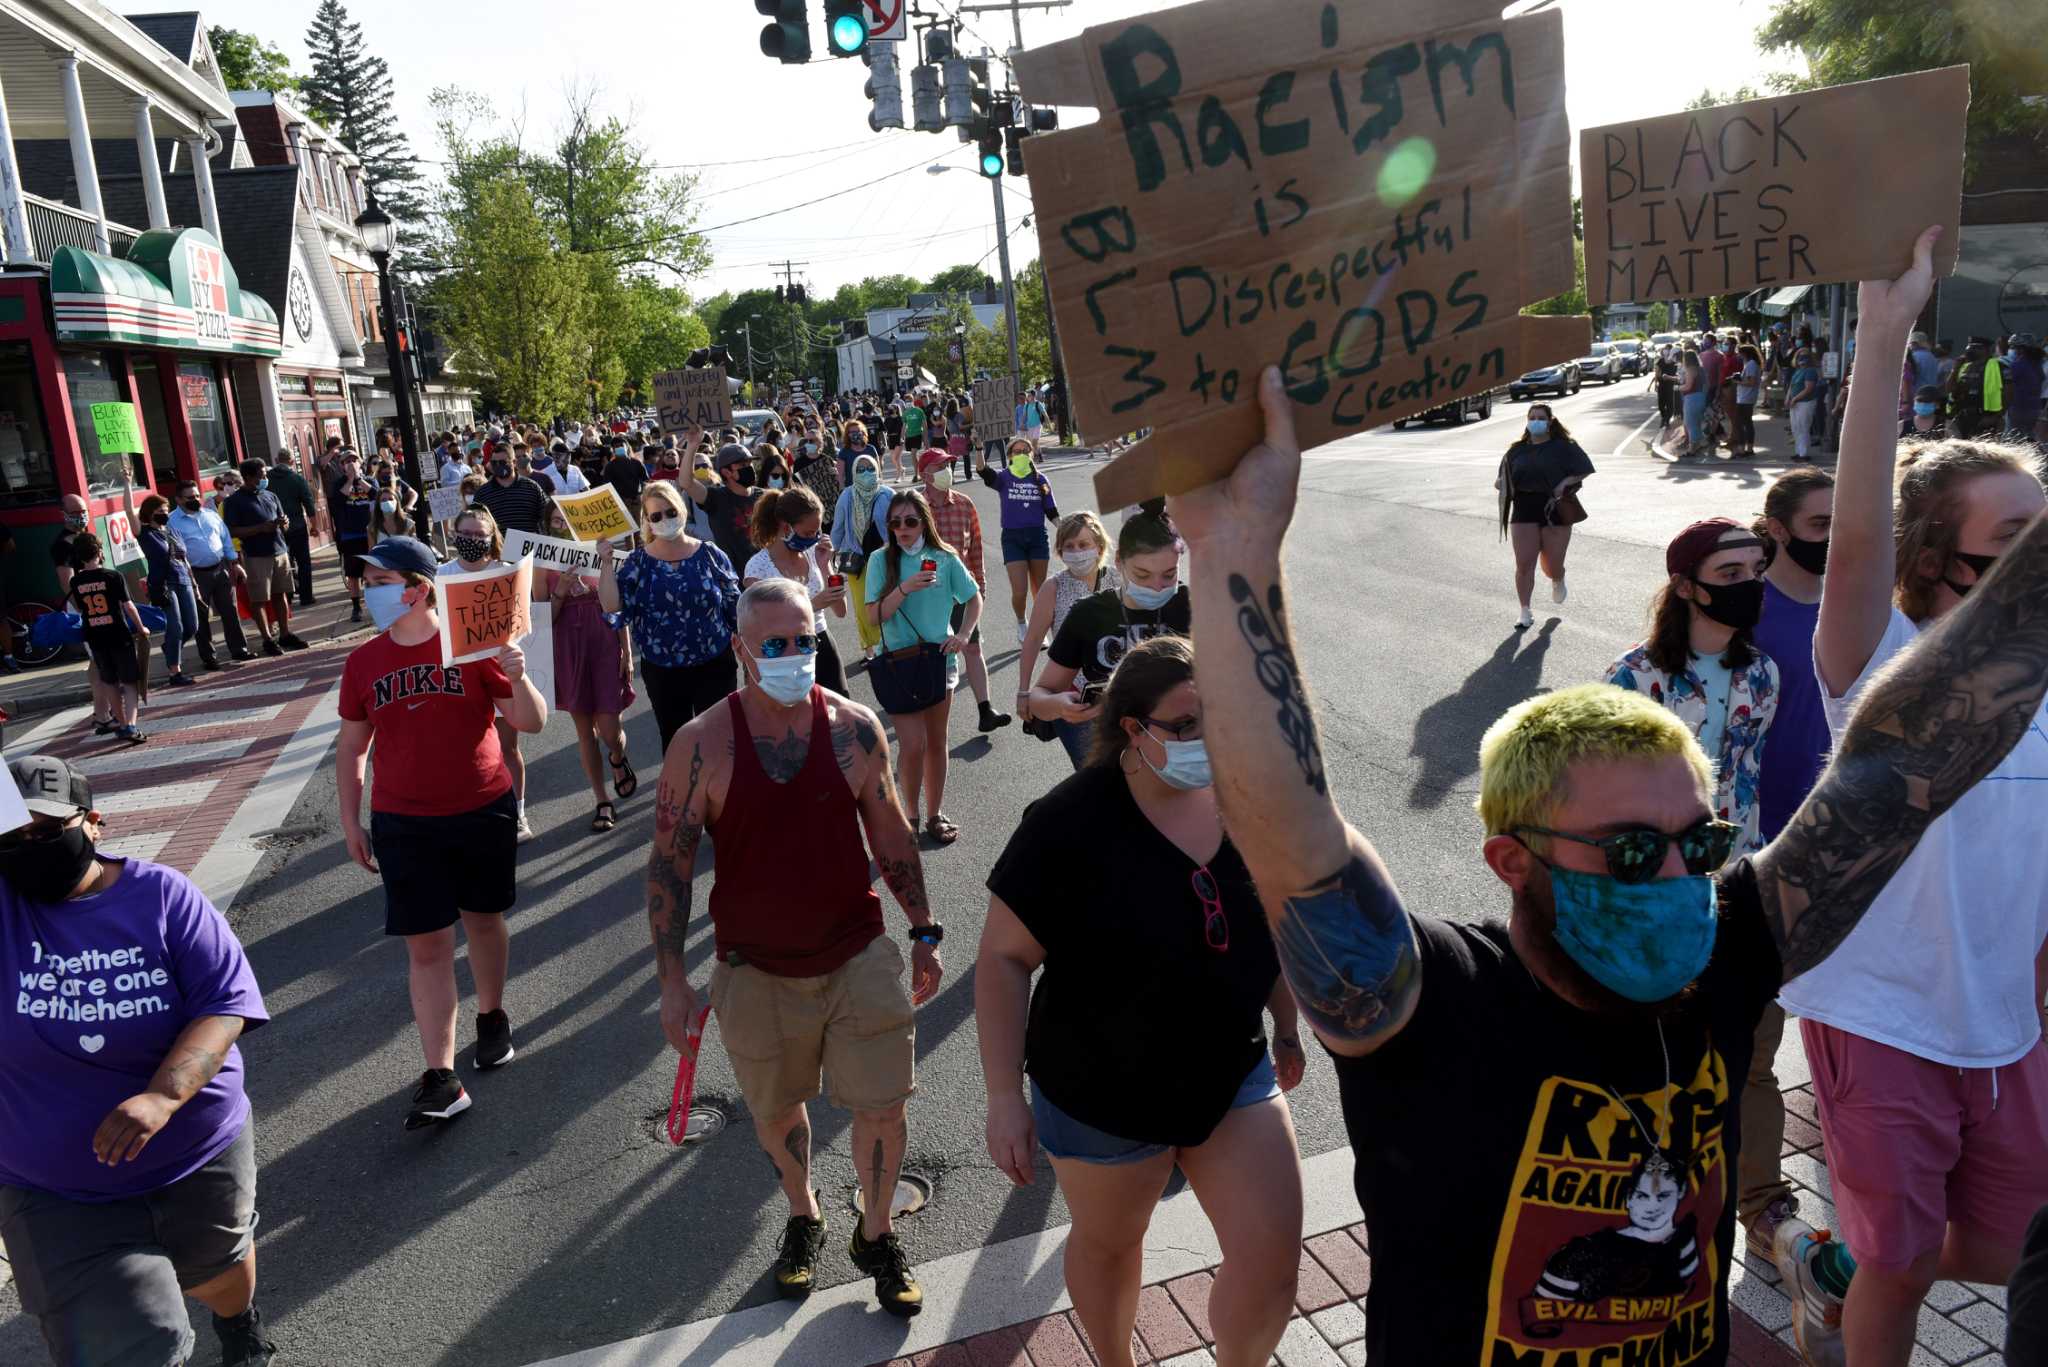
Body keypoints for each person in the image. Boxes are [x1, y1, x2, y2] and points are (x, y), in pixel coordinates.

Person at [1170, 359, 2048, 1367]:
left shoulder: (1727, 951)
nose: (1678, 879)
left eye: (1699, 843)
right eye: (1631, 850)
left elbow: (1894, 770)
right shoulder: (1433, 1006)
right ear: (1512, 859)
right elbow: (1287, 832)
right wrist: (1232, 548)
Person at [1789, 225, 2048, 1367]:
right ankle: (1859, 1272)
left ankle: (1840, 1257)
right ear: (1939, 554)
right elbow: (1850, 537)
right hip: (1875, 1007)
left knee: (2004, 1245)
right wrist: (1886, 325)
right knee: (1901, 1266)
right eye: (2016, 536)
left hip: (2004, 1017)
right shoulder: (1878, 653)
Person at [979, 635, 1304, 1367]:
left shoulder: (1251, 795)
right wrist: (1004, 1094)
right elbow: (1003, 957)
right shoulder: (1069, 821)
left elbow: (1272, 924)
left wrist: (1286, 1023)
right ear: (1132, 727)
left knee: (1272, 1265)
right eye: (1188, 725)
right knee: (1111, 1244)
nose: (1210, 740)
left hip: (1230, 1071)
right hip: (1101, 1092)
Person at [646, 578, 940, 1316]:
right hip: (754, 967)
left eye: (804, 641)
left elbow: (894, 835)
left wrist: (925, 930)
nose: (791, 655)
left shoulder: (855, 728)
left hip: (856, 953)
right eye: (773, 644)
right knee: (778, 1111)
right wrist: (672, 979)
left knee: (884, 1103)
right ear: (741, 649)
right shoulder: (700, 744)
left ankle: (874, 1234)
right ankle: (805, 1212)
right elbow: (669, 865)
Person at [0, 754, 278, 1367]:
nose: (27, 849)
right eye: (10, 838)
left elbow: (224, 1005)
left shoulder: (162, 896)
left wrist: (162, 1097)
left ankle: (238, 1321)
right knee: (125, 1346)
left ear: (93, 823)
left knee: (215, 1267)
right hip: (52, 1186)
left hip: (193, 1149)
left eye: (46, 832)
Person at [336, 535, 547, 1129]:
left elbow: (530, 722)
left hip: (482, 808)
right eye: (369, 581)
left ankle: (493, 1015)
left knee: (483, 920)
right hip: (404, 821)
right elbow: (353, 748)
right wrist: (351, 819)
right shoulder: (364, 662)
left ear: (417, 587)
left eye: (379, 581)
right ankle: (441, 1074)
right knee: (425, 945)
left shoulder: (474, 647)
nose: (369, 591)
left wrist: (519, 675)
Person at [1603, 518, 1778, 855]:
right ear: (1685, 587)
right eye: (1730, 574)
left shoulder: (1762, 672)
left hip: (1738, 857)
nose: (1752, 584)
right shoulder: (1633, 677)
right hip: (1661, 867)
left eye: (1757, 570)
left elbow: (1748, 771)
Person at [1026, 503, 1187, 769]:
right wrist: (1058, 704)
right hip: (1109, 755)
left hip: (1175, 753)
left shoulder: (1190, 605)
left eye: (1169, 575)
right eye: (1142, 574)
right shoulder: (1088, 613)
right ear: (1119, 561)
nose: (1157, 587)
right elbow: (1040, 697)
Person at [863, 488, 981, 844]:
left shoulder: (944, 557)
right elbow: (873, 617)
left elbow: (973, 597)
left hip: (938, 659)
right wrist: (904, 588)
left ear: (924, 522)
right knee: (912, 744)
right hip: (899, 663)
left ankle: (934, 814)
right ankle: (909, 816)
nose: (903, 528)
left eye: (911, 521)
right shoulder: (881, 560)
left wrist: (963, 634)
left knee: (937, 741)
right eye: (895, 522)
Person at [600, 481, 739, 758]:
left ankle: (725, 797)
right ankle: (686, 799)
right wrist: (605, 563)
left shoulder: (711, 554)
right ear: (648, 523)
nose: (665, 519)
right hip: (663, 671)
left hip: (715, 663)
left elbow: (735, 606)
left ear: (682, 511)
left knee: (722, 740)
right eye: (656, 516)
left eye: (671, 511)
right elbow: (614, 611)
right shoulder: (637, 563)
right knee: (677, 742)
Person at [536, 504, 636, 834]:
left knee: (610, 728)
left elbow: (615, 606)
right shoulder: (542, 561)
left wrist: (627, 650)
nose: (561, 527)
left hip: (604, 641)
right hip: (567, 646)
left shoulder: (599, 552)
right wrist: (561, 590)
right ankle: (601, 799)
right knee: (584, 731)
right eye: (555, 521)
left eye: (567, 521)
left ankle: (618, 758)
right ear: (548, 526)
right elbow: (542, 621)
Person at [441, 508, 539, 843]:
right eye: (465, 535)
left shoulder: (505, 575)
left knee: (508, 748)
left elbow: (521, 625)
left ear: (491, 538)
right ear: (455, 535)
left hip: (499, 673)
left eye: (479, 536)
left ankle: (518, 815)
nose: (472, 540)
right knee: (465, 750)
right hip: (458, 679)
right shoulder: (442, 576)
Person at [917, 444, 1010, 734]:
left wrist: (980, 586)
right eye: (940, 467)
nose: (947, 471)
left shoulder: (965, 504)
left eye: (949, 465)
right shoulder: (915, 508)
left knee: (971, 647)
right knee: (930, 655)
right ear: (925, 475)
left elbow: (976, 549)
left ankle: (986, 710)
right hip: (926, 593)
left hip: (962, 590)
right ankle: (926, 717)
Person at [742, 486, 850, 695]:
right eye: (808, 533)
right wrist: (812, 605)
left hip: (821, 642)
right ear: (786, 527)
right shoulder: (758, 567)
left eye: (817, 531)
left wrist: (825, 565)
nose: (814, 538)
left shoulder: (813, 553)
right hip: (786, 654)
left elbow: (841, 610)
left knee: (838, 714)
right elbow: (763, 623)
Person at [1016, 511, 1118, 733]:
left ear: (1099, 547)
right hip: (1073, 697)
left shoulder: (1119, 578)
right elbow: (1033, 640)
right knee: (1089, 764)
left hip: (1119, 693)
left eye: (1083, 544)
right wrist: (1024, 692)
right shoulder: (1053, 587)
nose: (1077, 552)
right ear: (1060, 552)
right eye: (1069, 547)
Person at [1494, 404, 1593, 630]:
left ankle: (1558, 578)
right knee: (1524, 564)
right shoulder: (1515, 451)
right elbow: (1500, 480)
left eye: (1540, 417)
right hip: (1523, 509)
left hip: (1554, 508)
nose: (1535, 421)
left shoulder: (1564, 446)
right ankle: (1524, 611)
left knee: (1552, 565)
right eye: (1532, 417)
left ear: (1550, 421)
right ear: (1527, 421)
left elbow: (1584, 469)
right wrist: (1502, 484)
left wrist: (1564, 483)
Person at [66, 533, 149, 744]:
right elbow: (128, 606)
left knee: (110, 681)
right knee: (130, 683)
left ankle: (121, 724)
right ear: (100, 552)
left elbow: (81, 608)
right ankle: (131, 725)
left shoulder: (75, 581)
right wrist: (141, 628)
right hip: (118, 634)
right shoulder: (113, 576)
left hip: (95, 637)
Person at [222, 459, 309, 656]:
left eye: (265, 475)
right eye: (261, 476)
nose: (265, 478)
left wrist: (283, 523)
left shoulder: (270, 495)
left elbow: (283, 523)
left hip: (279, 550)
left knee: (282, 594)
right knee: (259, 598)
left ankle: (285, 634)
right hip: (256, 556)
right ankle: (267, 638)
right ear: (248, 477)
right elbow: (232, 530)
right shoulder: (234, 501)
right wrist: (260, 528)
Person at [978, 436, 1060, 641]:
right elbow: (983, 471)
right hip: (1012, 538)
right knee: (1020, 590)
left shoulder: (1041, 479)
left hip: (1037, 537)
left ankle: (1039, 628)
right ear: (1010, 456)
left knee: (1039, 589)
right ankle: (1021, 622)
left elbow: (1051, 510)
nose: (1022, 454)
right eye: (1017, 451)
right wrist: (979, 447)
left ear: (1031, 454)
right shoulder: (1004, 477)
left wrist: (1065, 528)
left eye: (1026, 451)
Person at [168, 480, 254, 667]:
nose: (196, 499)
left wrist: (235, 564)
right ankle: (209, 657)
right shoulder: (172, 521)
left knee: (230, 611)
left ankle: (239, 650)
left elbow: (225, 540)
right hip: (196, 575)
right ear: (178, 500)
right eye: (190, 497)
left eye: (197, 495)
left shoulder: (210, 515)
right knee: (201, 617)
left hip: (221, 568)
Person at [832, 453, 893, 657]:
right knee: (863, 606)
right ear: (853, 473)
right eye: (860, 469)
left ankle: (889, 643)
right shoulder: (847, 495)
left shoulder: (887, 494)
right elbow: (838, 529)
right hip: (857, 560)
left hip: (885, 558)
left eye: (870, 468)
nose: (866, 473)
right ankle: (870, 649)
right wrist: (829, 557)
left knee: (887, 602)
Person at [138, 494, 199, 689]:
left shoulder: (172, 532)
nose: (164, 514)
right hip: (164, 585)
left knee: (192, 626)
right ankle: (175, 671)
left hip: (183, 580)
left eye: (166, 511)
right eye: (159, 512)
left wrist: (195, 585)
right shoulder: (146, 533)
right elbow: (131, 512)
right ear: (150, 514)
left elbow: (184, 559)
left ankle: (170, 649)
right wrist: (127, 484)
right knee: (176, 628)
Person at [688, 442, 768, 572]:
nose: (750, 468)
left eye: (750, 463)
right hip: (735, 577)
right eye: (743, 465)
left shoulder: (765, 496)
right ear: (726, 472)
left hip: (767, 574)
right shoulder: (715, 498)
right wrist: (692, 445)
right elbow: (687, 483)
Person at [327, 455, 376, 622]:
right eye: (347, 461)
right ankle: (356, 607)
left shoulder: (369, 480)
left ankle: (375, 604)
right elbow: (338, 502)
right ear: (342, 466)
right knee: (353, 574)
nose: (351, 464)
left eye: (354, 460)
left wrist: (359, 479)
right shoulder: (339, 483)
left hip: (369, 534)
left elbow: (376, 495)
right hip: (349, 535)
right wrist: (350, 480)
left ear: (361, 463)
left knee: (372, 571)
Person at [266, 451, 318, 607]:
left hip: (276, 528)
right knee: (303, 562)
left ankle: (286, 597)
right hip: (297, 526)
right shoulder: (297, 479)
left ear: (276, 460)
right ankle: (306, 596)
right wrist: (314, 526)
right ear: (292, 462)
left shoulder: (267, 479)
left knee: (283, 563)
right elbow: (309, 505)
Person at [469, 446, 551, 537]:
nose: (498, 465)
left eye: (502, 462)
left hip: (528, 548)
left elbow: (547, 515)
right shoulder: (482, 493)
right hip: (498, 549)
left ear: (514, 462)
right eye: (494, 463)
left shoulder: (532, 488)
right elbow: (474, 524)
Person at [2006, 332, 2044, 440]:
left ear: (2021, 349)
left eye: (2014, 348)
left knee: (2014, 440)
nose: (2012, 350)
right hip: (2035, 407)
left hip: (2019, 408)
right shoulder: (2037, 364)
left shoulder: (2017, 365)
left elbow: (2010, 388)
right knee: (2031, 438)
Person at [1785, 349, 1821, 462]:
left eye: (1805, 356)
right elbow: (1792, 385)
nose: (1802, 358)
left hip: (1805, 403)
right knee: (1796, 428)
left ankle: (1803, 454)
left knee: (1803, 428)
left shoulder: (1810, 371)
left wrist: (1795, 398)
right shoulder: (1798, 371)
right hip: (1795, 403)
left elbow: (1808, 388)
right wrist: (1788, 397)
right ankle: (1798, 452)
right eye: (1800, 356)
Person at [1731, 344, 1763, 457]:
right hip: (1746, 397)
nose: (1738, 355)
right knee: (1746, 423)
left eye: (1740, 353)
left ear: (1745, 354)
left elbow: (1751, 382)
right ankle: (1748, 448)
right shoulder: (1750, 364)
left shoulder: (1751, 365)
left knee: (1740, 424)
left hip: (1746, 398)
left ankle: (1743, 449)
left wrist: (1738, 382)